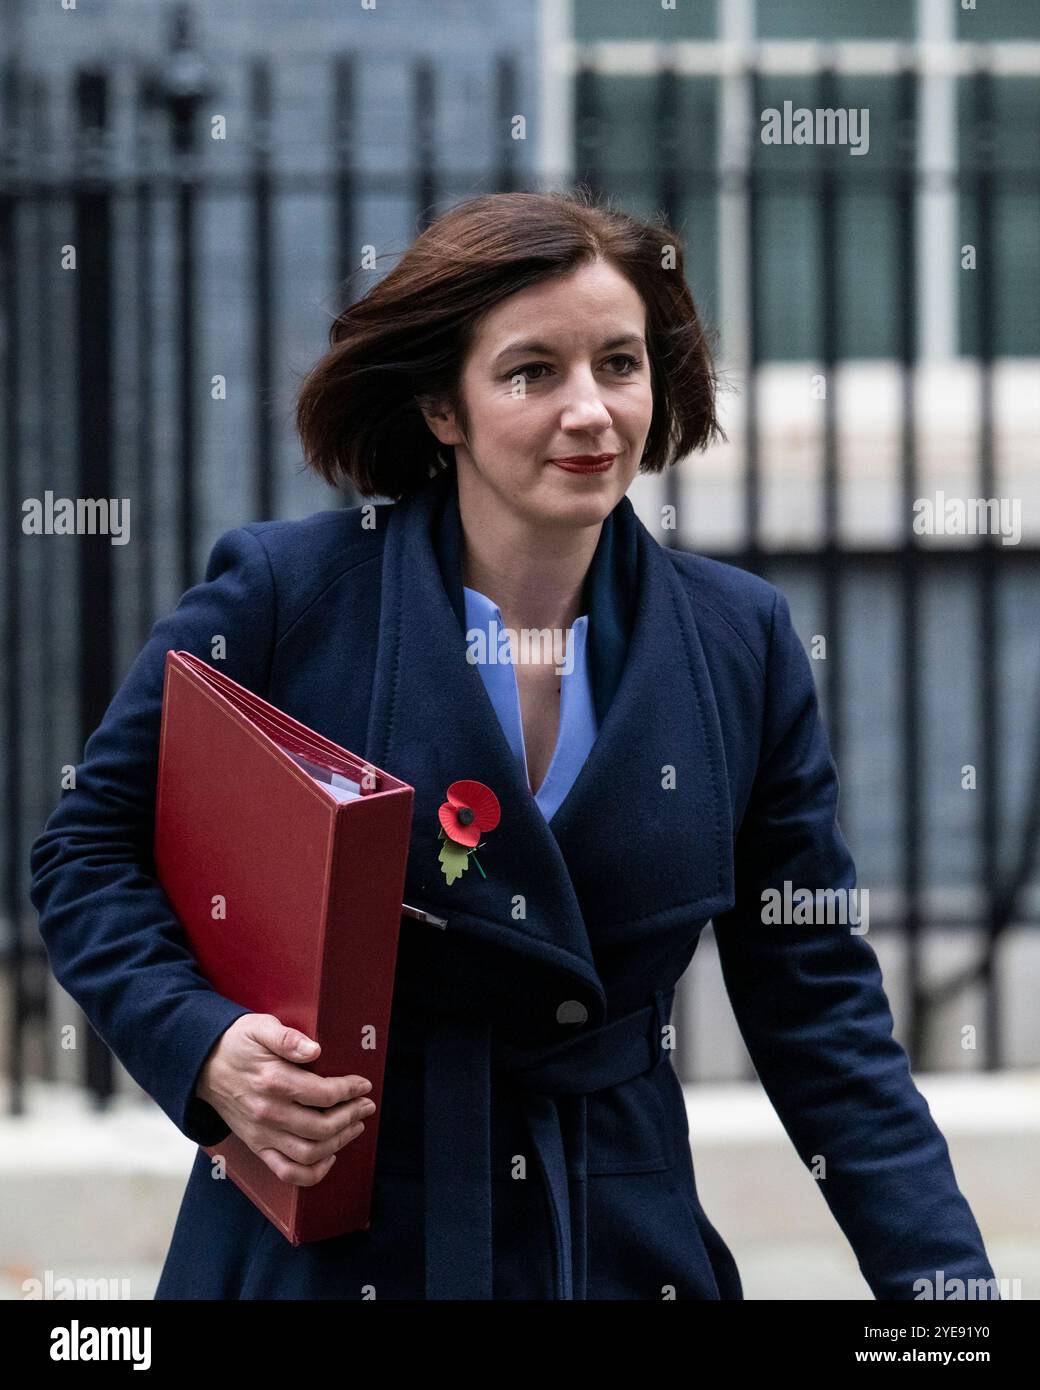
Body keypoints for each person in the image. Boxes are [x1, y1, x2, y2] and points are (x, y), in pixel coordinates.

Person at [29, 189, 998, 1300]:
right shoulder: (284, 595)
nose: (590, 412)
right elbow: (88, 852)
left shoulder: (741, 639)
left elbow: (816, 1003)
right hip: (331, 1230)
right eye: (532, 372)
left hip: (614, 1236)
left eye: (619, 364)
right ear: (443, 408)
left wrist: (946, 1296)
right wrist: (201, 1044)